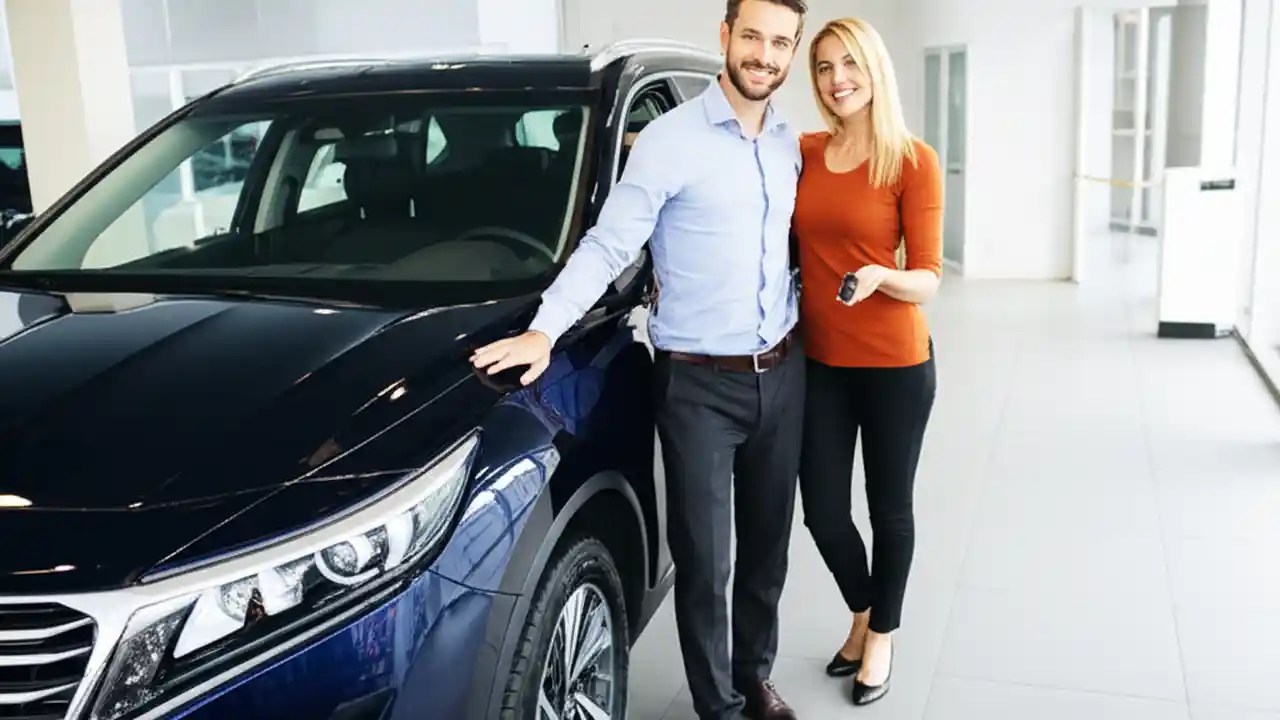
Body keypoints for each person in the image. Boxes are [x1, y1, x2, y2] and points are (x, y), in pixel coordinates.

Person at [470, 1, 808, 718]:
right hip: (699, 387)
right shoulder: (669, 139)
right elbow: (608, 243)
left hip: (781, 372)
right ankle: (719, 707)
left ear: (791, 51)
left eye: (781, 42)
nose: (765, 55)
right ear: (726, 35)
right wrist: (544, 330)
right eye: (753, 36)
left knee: (767, 551)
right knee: (705, 561)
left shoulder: (787, 143)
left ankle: (754, 676)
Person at [791, 16, 943, 707]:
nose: (837, 79)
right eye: (824, 66)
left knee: (889, 510)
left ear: (874, 68)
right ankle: (862, 608)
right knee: (822, 510)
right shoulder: (806, 152)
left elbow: (929, 279)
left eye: (849, 63)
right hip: (822, 361)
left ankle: (881, 633)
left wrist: (882, 275)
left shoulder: (912, 160)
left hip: (894, 366)